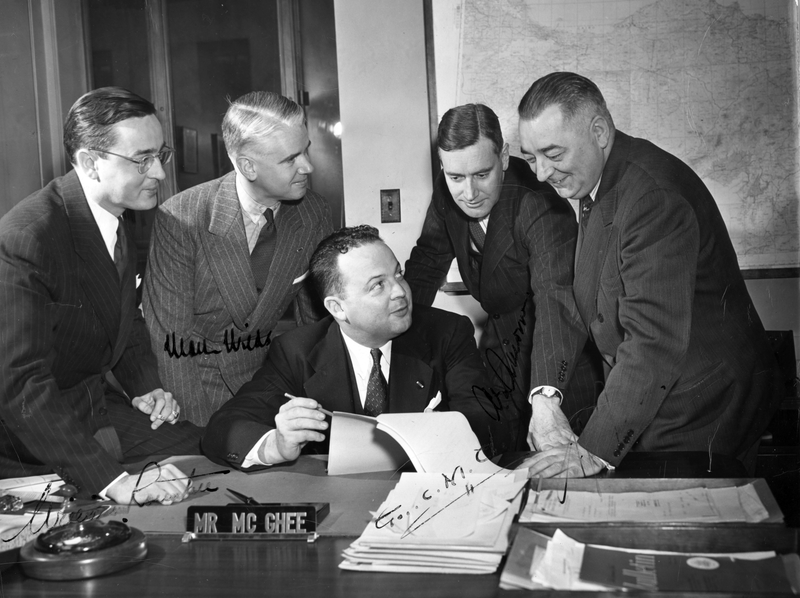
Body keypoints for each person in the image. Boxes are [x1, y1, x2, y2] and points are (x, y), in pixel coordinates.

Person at [516, 71, 783, 477]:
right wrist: (546, 399)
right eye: (531, 157)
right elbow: (578, 298)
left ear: (600, 131)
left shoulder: (651, 196)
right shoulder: (599, 183)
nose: (540, 173)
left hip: (704, 400)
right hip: (663, 389)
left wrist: (593, 453)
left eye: (553, 154)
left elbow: (653, 342)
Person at [0, 87, 202, 504]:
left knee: (200, 450)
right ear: (91, 163)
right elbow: (20, 386)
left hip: (93, 406)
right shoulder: (27, 239)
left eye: (160, 155)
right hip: (27, 437)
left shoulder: (113, 217)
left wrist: (145, 386)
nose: (160, 174)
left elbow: (123, 321)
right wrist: (116, 482)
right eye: (142, 159)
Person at [202, 225, 511, 468]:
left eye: (398, 274)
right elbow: (223, 428)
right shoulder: (296, 351)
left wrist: (429, 432)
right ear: (338, 308)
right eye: (378, 285)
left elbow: (487, 421)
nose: (401, 292)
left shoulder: (446, 333)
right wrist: (276, 445)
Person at [404, 103, 599, 449]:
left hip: (559, 367)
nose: (468, 193)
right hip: (499, 359)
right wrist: (393, 331)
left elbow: (555, 299)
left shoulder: (539, 205)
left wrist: (545, 399)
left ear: (504, 158)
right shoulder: (450, 187)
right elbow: (427, 263)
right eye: (455, 177)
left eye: (482, 175)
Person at [143, 91, 333, 428]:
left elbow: (314, 323)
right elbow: (170, 341)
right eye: (291, 159)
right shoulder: (182, 218)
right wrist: (198, 431)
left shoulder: (314, 213)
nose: (308, 166)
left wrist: (322, 403)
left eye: (305, 150)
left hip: (271, 383)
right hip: (197, 387)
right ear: (248, 166)